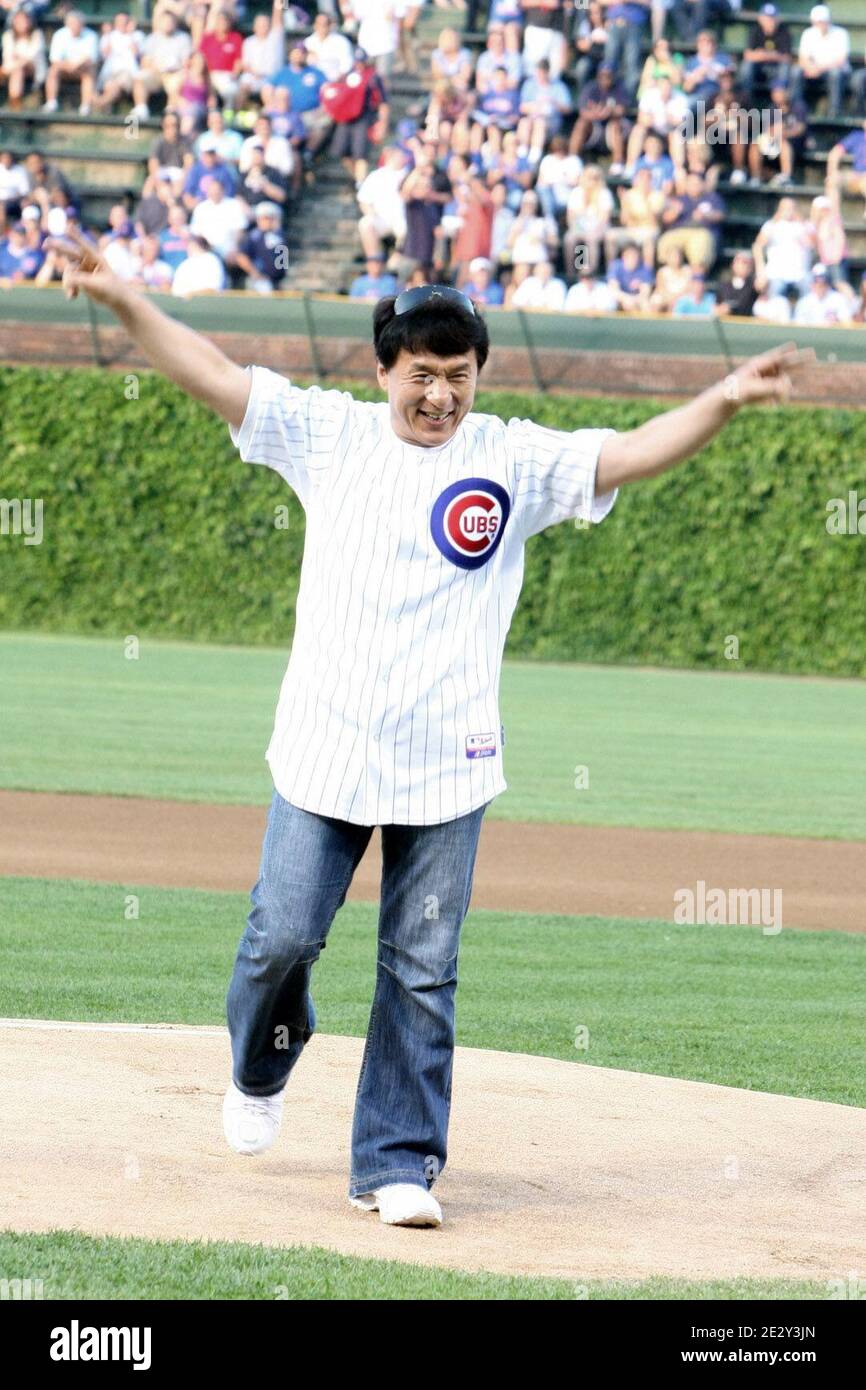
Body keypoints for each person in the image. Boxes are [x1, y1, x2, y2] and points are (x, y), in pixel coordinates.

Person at [51, 235, 814, 1226]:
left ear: (476, 375)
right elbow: (214, 376)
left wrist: (718, 399)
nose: (440, 397)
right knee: (280, 937)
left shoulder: (512, 458)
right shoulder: (327, 435)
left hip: (448, 766)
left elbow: (624, 452)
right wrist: (121, 301)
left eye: (457, 377)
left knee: (421, 967)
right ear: (383, 371)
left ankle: (396, 1162)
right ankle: (261, 1060)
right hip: (324, 748)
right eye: (422, 375)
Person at [791, 3, 849, 120]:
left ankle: (834, 113)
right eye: (818, 21)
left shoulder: (841, 33)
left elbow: (840, 61)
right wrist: (810, 68)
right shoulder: (808, 33)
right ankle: (796, 111)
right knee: (796, 71)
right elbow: (803, 58)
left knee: (835, 74)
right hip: (813, 71)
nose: (821, 24)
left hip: (833, 72)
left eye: (823, 21)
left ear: (829, 20)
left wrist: (818, 69)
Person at [43, 8, 98, 115]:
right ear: (67, 24)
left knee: (90, 73)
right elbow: (55, 60)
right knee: (53, 71)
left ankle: (86, 106)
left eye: (77, 23)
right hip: (64, 68)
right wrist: (70, 65)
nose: (75, 26)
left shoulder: (91, 36)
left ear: (82, 24)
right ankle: (51, 103)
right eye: (72, 23)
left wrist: (75, 65)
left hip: (82, 69)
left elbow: (91, 59)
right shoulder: (59, 35)